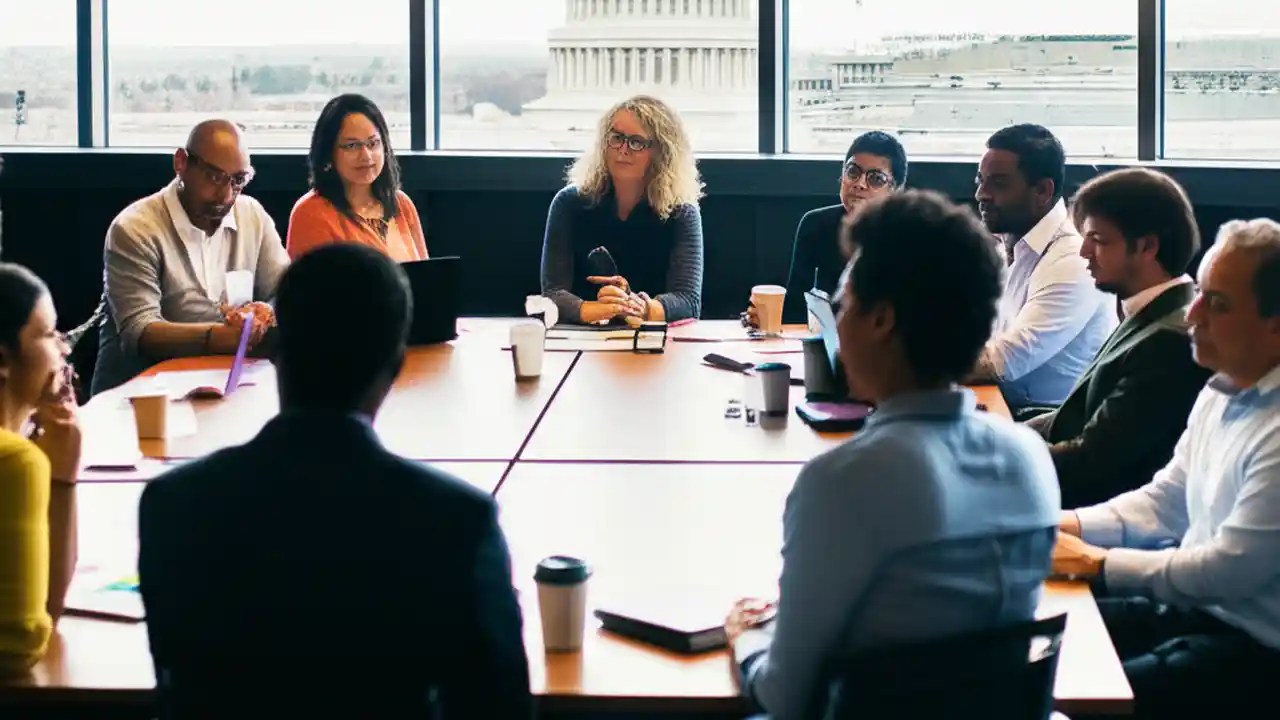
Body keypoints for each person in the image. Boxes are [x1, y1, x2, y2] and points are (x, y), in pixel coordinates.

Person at [137, 244, 531, 718]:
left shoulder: (173, 505)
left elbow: (176, 683)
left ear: (276, 354)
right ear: (396, 367)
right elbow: (499, 705)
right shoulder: (456, 522)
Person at [727, 191, 1060, 720]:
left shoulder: (843, 481)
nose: (838, 316)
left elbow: (783, 699)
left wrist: (747, 638)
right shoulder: (1028, 457)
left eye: (845, 302)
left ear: (881, 320)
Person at [1052, 219, 1280, 720]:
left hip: (1254, 655)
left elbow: (1227, 571)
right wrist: (1063, 528)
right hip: (1195, 611)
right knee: (1031, 635)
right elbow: (1164, 501)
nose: (1191, 316)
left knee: (1072, 695)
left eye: (1217, 305)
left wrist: (1096, 564)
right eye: (1199, 293)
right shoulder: (1223, 388)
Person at [1026, 168, 1211, 508]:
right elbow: (1076, 416)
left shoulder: (1169, 341)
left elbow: (1092, 462)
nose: (1083, 251)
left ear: (1146, 246)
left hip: (1094, 515)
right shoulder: (1150, 311)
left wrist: (994, 453)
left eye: (1097, 240)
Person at [92, 119, 287, 395]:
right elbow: (140, 331)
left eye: (238, 180)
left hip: (227, 387)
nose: (226, 193)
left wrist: (266, 313)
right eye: (215, 177)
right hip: (141, 395)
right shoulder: (135, 228)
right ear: (181, 162)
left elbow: (288, 292)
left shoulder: (252, 215)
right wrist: (221, 338)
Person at [969, 124, 1115, 412]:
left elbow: (1000, 363)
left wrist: (900, 362)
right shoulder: (1008, 245)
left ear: (1042, 191)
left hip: (1049, 423)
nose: (981, 194)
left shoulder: (1073, 259)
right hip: (1003, 407)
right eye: (980, 181)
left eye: (998, 183)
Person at [540, 94, 704, 325]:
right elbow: (552, 293)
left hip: (653, 341)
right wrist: (595, 309)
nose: (623, 149)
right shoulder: (569, 203)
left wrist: (638, 307)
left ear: (662, 153)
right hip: (581, 339)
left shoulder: (682, 212)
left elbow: (688, 302)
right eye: (616, 138)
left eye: (636, 142)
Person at [0, 263, 79, 675]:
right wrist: (62, 475)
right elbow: (25, 641)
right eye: (50, 335)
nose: (64, 350)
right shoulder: (15, 461)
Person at [747, 131, 907, 326]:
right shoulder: (815, 224)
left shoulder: (907, 235)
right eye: (853, 172)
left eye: (876, 179)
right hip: (818, 344)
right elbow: (794, 312)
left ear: (896, 191)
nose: (860, 184)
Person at [286, 93, 427, 262]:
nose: (366, 155)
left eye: (373, 143)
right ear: (328, 153)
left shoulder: (401, 203)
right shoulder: (311, 213)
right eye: (352, 146)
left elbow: (427, 278)